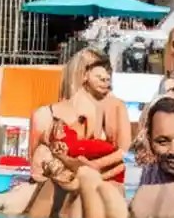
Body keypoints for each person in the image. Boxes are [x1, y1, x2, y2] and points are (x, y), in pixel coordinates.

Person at [30, 54, 130, 183]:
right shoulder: (45, 115)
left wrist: (93, 167)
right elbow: (35, 170)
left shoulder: (114, 107)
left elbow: (124, 156)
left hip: (99, 184)